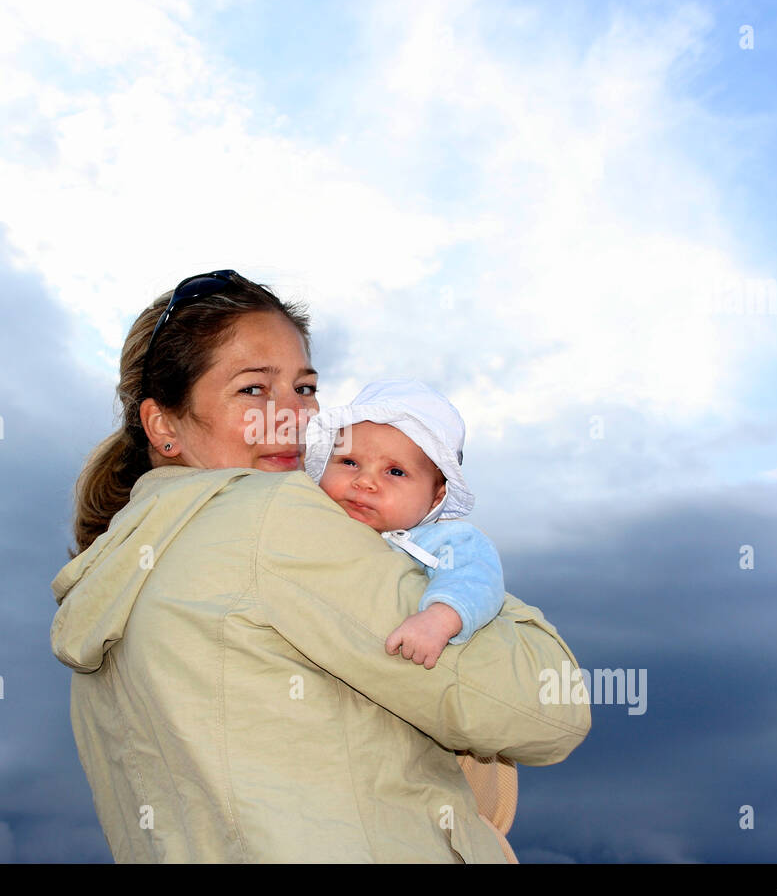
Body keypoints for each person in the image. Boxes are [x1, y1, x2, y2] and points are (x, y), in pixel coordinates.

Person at [50, 269, 591, 862]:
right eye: (253, 391)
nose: (293, 418)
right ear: (164, 425)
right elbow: (549, 711)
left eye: (304, 389)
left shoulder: (114, 583)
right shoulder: (271, 516)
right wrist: (449, 561)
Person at [303, 378, 523, 861]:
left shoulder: (436, 540)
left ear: (436, 494)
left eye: (396, 472)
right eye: (349, 463)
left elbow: (476, 576)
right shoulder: (312, 525)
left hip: (420, 714)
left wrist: (440, 617)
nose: (365, 482)